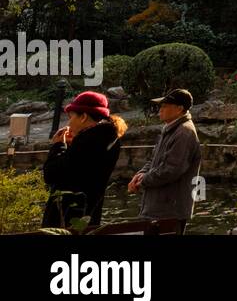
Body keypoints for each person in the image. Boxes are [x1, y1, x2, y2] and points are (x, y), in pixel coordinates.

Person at [41, 91, 128, 229]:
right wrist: (71, 146)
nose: (69, 122)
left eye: (71, 117)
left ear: (83, 117)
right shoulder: (109, 138)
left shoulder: (87, 141)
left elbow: (51, 174)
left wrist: (58, 146)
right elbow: (78, 168)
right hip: (89, 216)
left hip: (67, 218)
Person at [129, 88, 203, 233]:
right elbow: (153, 159)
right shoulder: (170, 129)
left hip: (170, 211)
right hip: (159, 208)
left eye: (164, 106)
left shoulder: (184, 132)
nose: (160, 110)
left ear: (179, 109)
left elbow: (171, 170)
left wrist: (143, 180)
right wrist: (139, 175)